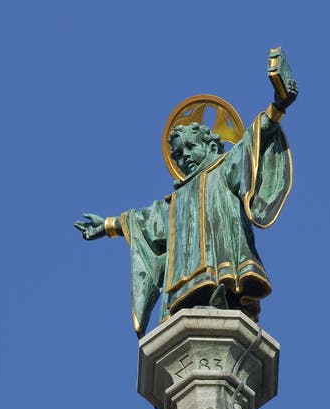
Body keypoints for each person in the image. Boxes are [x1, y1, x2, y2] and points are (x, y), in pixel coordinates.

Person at [75, 83, 298, 337]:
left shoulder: (224, 167)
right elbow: (146, 220)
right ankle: (197, 301)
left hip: (224, 260)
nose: (185, 157)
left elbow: (252, 141)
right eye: (179, 154)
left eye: (191, 147)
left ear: (211, 147)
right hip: (183, 281)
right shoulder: (175, 201)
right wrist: (108, 225)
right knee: (188, 302)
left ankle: (227, 298)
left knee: (226, 293)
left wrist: (277, 107)